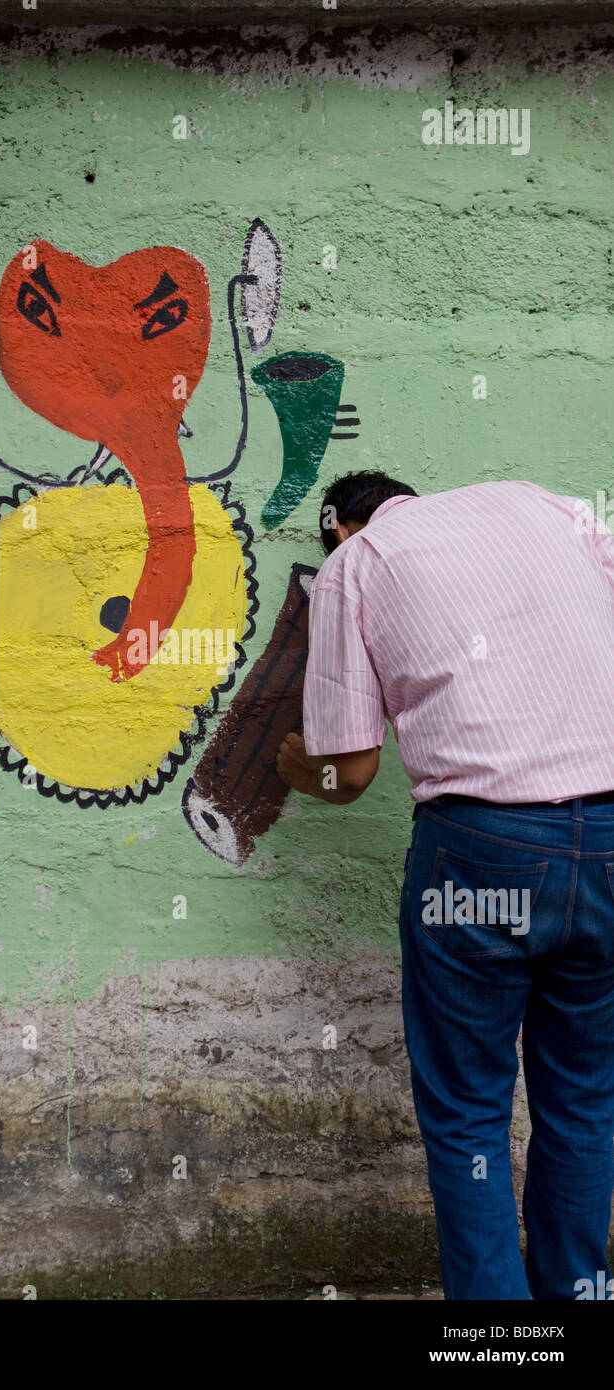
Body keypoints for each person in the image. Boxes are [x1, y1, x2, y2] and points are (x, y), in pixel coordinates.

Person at [277, 469, 614, 1301]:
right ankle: (578, 1295)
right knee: (585, 1098)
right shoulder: (543, 507)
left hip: (483, 851)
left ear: (341, 529)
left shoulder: (356, 565)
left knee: (469, 1110)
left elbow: (351, 772)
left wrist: (299, 771)